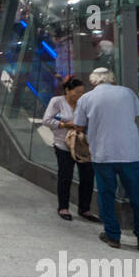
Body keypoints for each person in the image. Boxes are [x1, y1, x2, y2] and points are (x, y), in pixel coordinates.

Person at [72, 67, 139, 251]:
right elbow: (136, 115)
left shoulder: (86, 98)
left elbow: (79, 125)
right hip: (130, 153)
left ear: (93, 81)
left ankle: (112, 236)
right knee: (138, 196)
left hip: (103, 154)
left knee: (106, 195)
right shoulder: (127, 93)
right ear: (112, 79)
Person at [42, 78, 98, 222]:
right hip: (63, 144)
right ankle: (63, 207)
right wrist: (65, 125)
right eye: (77, 92)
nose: (79, 95)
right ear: (67, 90)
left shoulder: (84, 103)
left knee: (87, 176)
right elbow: (46, 120)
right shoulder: (57, 101)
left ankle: (84, 208)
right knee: (65, 176)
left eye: (82, 92)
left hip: (82, 145)